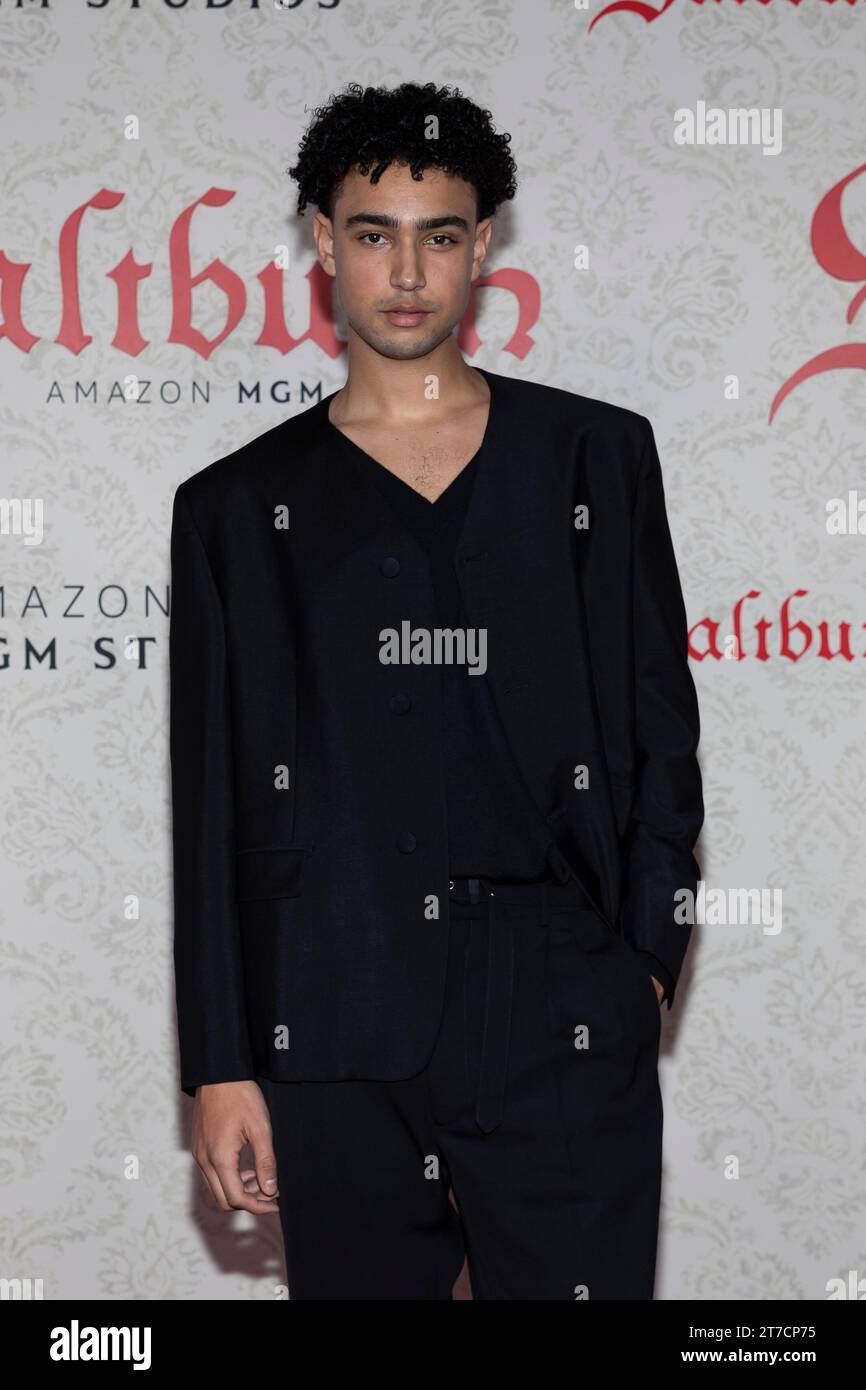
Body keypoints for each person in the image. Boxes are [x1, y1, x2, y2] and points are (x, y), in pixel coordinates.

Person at [169, 80, 704, 1300]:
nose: (406, 271)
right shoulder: (237, 509)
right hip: (331, 1004)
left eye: (441, 233)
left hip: (559, 999)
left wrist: (641, 962)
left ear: (481, 246)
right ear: (321, 244)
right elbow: (211, 809)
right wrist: (221, 1062)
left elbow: (655, 726)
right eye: (372, 233)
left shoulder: (593, 457)